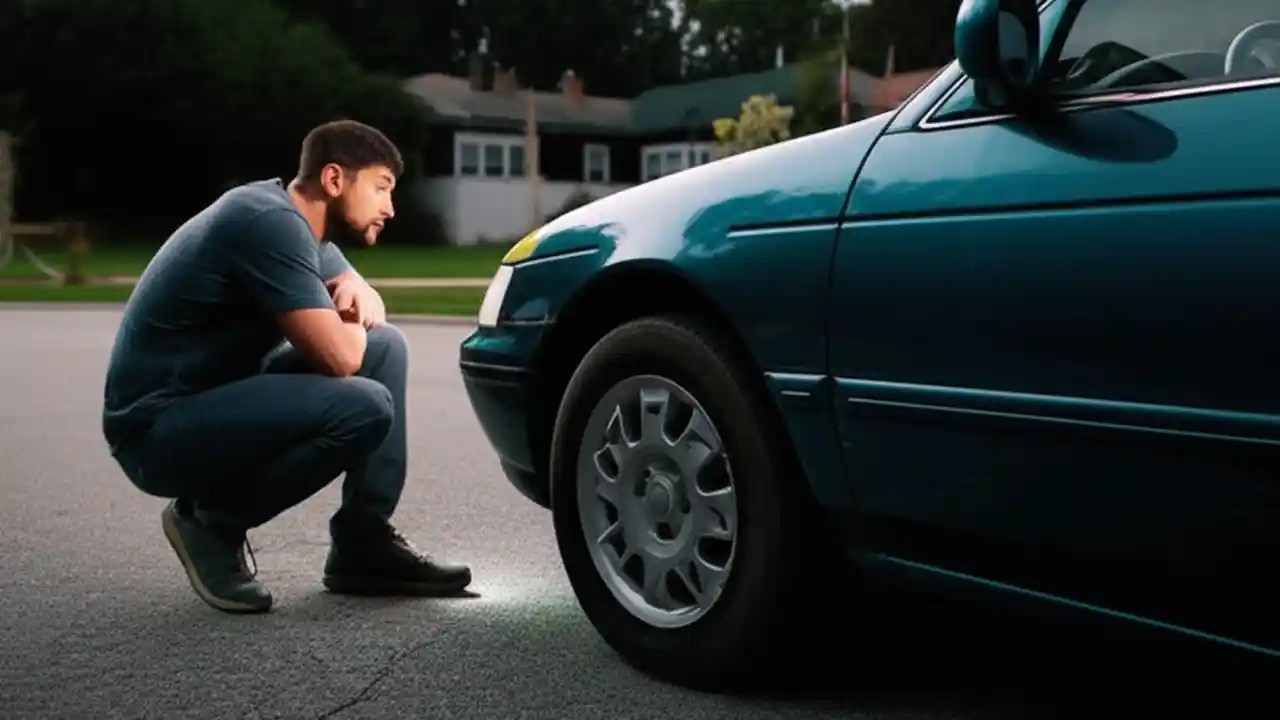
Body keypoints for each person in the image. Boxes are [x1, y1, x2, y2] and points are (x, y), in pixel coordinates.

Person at [101, 119, 471, 614]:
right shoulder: (265, 222)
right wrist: (353, 313)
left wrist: (357, 285)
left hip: (212, 401)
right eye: (381, 187)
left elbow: (361, 300)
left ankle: (363, 543)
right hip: (155, 428)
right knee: (363, 404)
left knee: (387, 348)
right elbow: (340, 357)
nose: (391, 207)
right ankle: (210, 523)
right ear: (334, 179)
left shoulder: (299, 225)